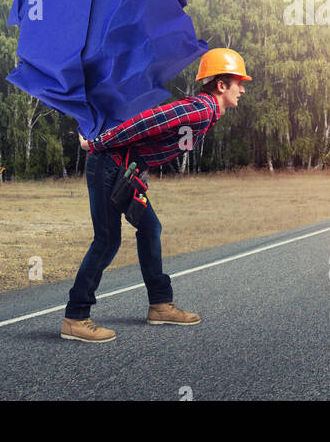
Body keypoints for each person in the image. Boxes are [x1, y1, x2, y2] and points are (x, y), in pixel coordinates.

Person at [60, 48, 251, 342]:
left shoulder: (207, 113)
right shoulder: (200, 109)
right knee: (107, 240)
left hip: (123, 168)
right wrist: (96, 145)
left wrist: (141, 170)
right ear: (221, 85)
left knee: (150, 227)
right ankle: (75, 317)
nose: (243, 88)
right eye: (239, 81)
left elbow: (155, 139)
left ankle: (160, 305)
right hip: (109, 163)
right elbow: (147, 122)